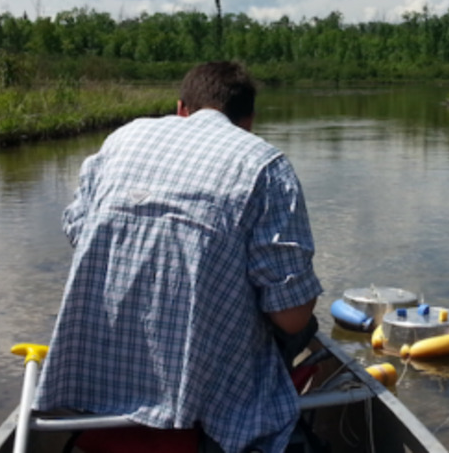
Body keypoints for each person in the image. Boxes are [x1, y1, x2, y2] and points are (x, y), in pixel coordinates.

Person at [34, 61, 322, 453]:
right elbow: (292, 318)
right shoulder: (266, 165)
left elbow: (78, 231)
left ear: (180, 108)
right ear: (249, 121)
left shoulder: (122, 139)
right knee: (303, 321)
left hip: (94, 384)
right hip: (204, 397)